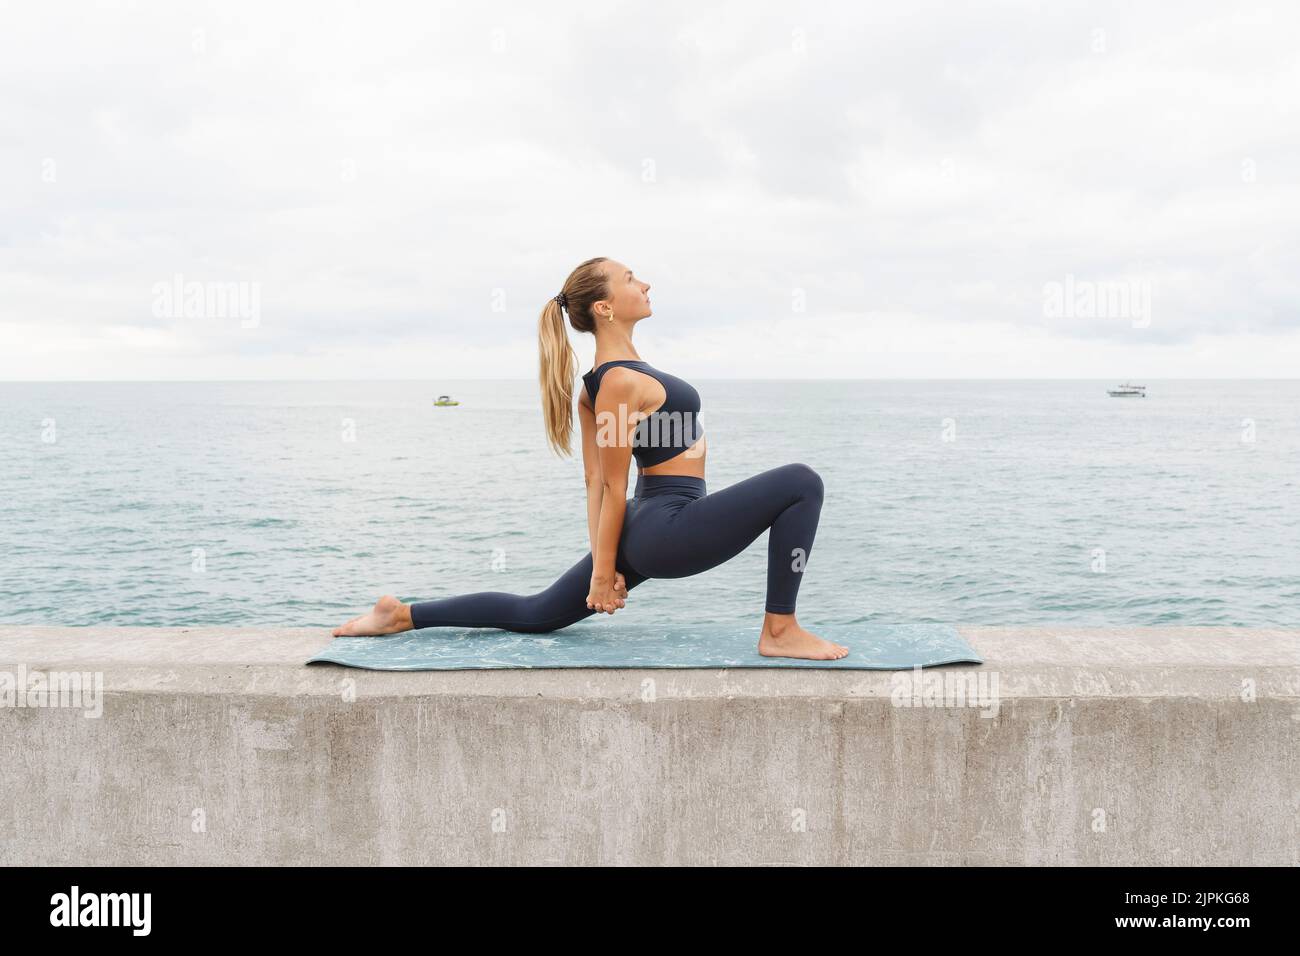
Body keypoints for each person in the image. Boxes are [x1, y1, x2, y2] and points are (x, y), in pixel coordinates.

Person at [332, 257, 848, 660]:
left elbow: (594, 484)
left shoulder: (600, 383)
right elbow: (606, 485)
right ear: (604, 307)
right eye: (630, 278)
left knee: (537, 613)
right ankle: (780, 629)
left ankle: (400, 615)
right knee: (801, 482)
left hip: (649, 526)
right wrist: (604, 571)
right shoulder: (619, 382)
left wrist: (610, 563)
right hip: (666, 525)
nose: (644, 284)